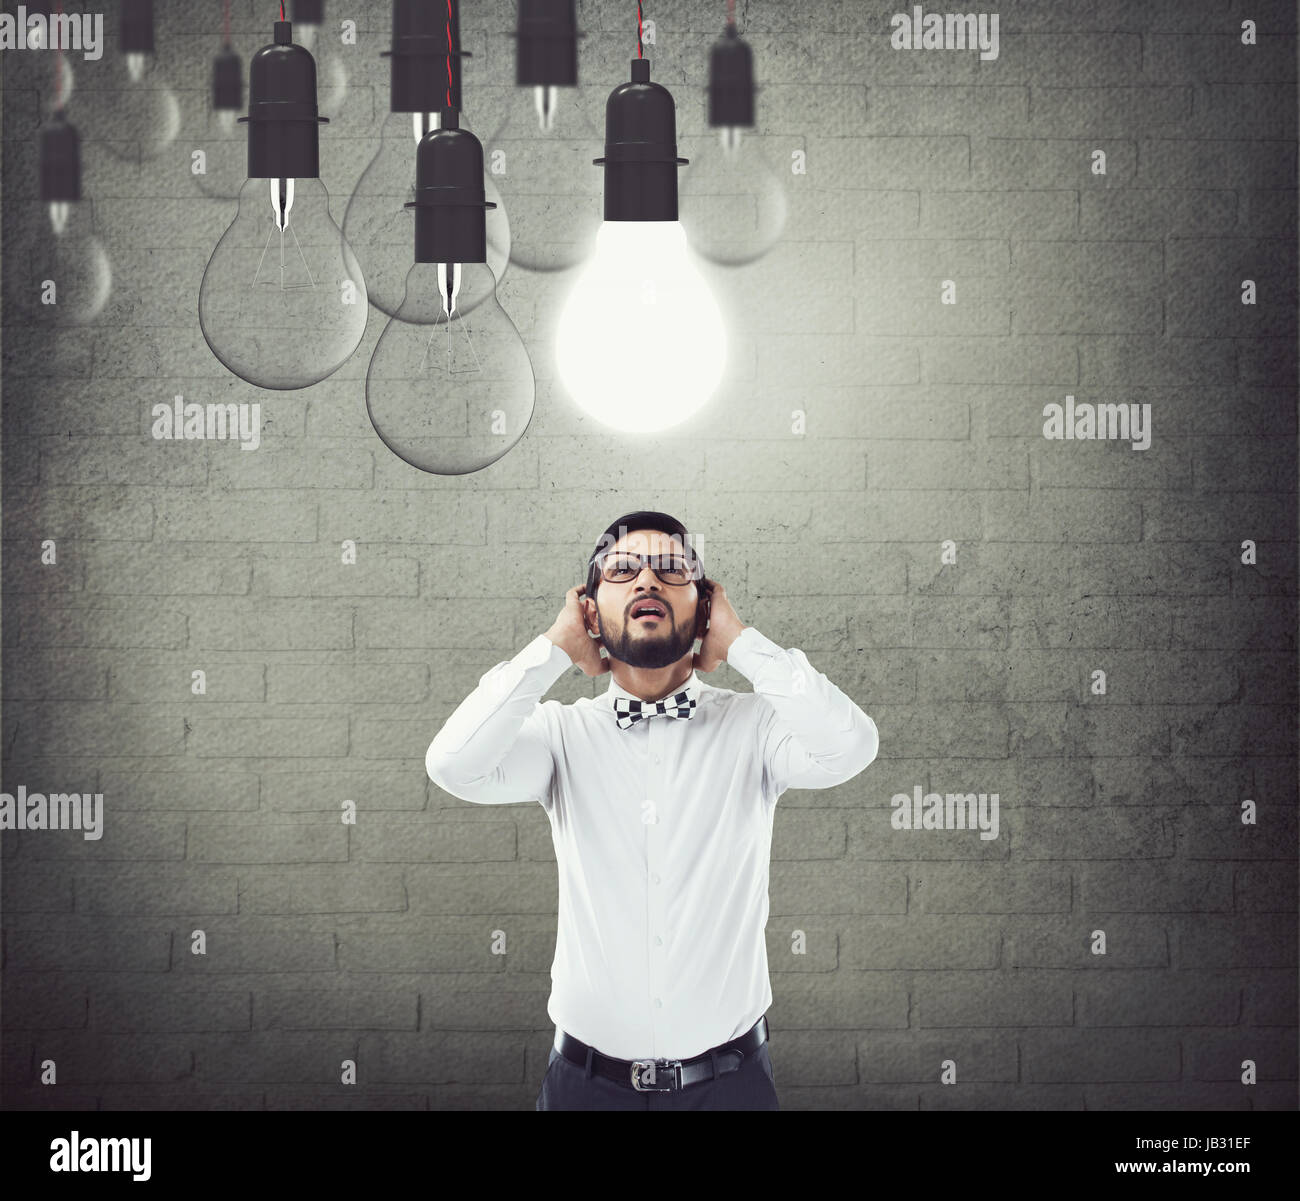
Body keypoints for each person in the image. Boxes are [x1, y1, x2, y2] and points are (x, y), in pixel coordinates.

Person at [426, 511, 880, 1110]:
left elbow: (851, 747)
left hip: (732, 1086)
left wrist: (743, 643)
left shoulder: (756, 727)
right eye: (622, 570)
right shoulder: (559, 736)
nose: (647, 581)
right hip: (583, 1088)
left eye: (672, 570)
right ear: (590, 611)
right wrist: (552, 651)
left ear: (703, 606)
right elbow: (453, 764)